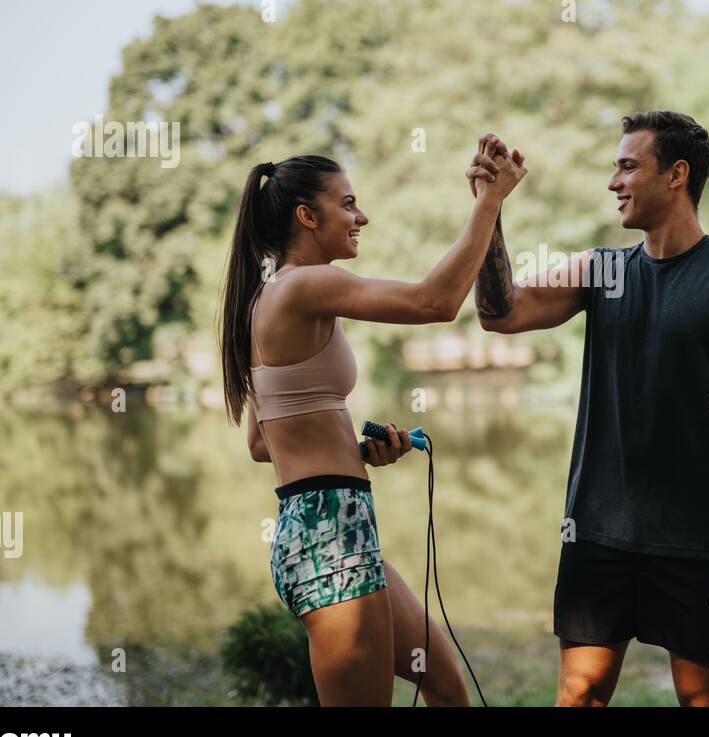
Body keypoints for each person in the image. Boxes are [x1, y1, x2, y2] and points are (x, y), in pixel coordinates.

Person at [467, 111, 709, 706]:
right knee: (579, 697)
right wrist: (490, 207)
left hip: (701, 543)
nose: (613, 181)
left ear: (676, 175)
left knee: (705, 703)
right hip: (598, 533)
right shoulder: (601, 271)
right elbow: (500, 313)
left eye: (627, 166)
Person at [219, 137, 525, 706]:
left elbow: (264, 444)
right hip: (328, 536)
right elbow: (435, 302)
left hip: (325, 524)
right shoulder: (307, 285)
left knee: (445, 685)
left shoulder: (264, 300)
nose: (362, 217)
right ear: (307, 217)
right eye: (348, 204)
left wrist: (360, 453)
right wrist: (489, 201)